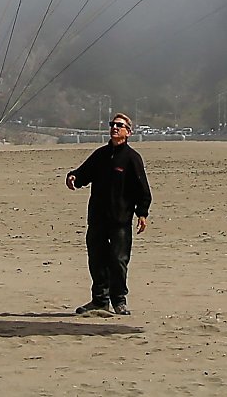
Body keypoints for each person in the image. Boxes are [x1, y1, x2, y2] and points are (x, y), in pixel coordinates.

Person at [66, 112, 151, 317]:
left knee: (118, 261)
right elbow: (82, 174)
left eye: (119, 126)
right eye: (112, 124)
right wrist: (72, 178)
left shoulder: (132, 158)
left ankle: (119, 301)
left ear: (128, 132)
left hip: (120, 220)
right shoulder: (101, 155)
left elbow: (143, 190)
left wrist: (142, 213)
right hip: (97, 218)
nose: (114, 128)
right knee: (97, 260)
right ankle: (99, 301)